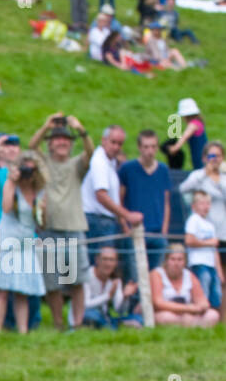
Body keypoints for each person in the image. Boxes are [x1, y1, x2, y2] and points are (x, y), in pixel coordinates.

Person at [30, 112, 94, 328]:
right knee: (53, 283)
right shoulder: (44, 163)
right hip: (48, 229)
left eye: (66, 140)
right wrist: (46, 126)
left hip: (74, 228)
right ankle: (59, 324)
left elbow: (90, 152)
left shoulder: (77, 164)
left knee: (77, 281)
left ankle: (76, 323)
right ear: (50, 143)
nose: (61, 143)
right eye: (57, 139)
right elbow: (31, 147)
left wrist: (80, 129)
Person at [0, 152, 47, 332]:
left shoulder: (39, 191)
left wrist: (43, 211)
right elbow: (6, 208)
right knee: (2, 289)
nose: (28, 172)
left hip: (26, 242)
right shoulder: (10, 185)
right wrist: (12, 181)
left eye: (31, 168)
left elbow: (42, 223)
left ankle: (23, 331)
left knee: (22, 291)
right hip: (6, 240)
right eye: (24, 167)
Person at [82, 124, 142, 277]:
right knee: (98, 269)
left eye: (119, 144)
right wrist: (127, 216)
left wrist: (123, 223)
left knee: (108, 269)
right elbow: (101, 196)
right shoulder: (100, 162)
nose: (116, 147)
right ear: (103, 140)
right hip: (96, 222)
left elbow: (113, 197)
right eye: (113, 142)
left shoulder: (110, 161)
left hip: (105, 222)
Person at [119, 129, 172, 273]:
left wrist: (164, 230)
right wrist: (125, 226)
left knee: (156, 276)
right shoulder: (127, 169)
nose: (150, 151)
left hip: (157, 233)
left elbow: (166, 202)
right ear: (139, 147)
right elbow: (120, 199)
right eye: (146, 147)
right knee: (135, 276)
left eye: (153, 147)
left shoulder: (163, 169)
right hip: (135, 231)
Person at [178, 140, 226, 295]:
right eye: (211, 155)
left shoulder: (224, 177)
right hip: (205, 236)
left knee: (223, 277)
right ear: (204, 158)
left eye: (218, 156)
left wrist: (220, 180)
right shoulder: (198, 175)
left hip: (223, 233)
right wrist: (205, 174)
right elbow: (183, 189)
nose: (214, 159)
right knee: (208, 277)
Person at [150, 243, 219, 326]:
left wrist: (200, 307)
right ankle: (194, 326)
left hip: (188, 314)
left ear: (185, 262)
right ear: (166, 261)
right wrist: (187, 309)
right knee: (166, 317)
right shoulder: (156, 274)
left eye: (180, 260)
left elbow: (203, 302)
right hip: (166, 313)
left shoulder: (189, 275)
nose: (176, 263)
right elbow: (158, 303)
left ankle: (191, 326)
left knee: (213, 315)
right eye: (173, 259)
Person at [183, 190, 222, 316]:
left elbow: (214, 249)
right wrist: (209, 242)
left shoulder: (210, 224)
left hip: (211, 266)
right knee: (201, 297)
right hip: (198, 264)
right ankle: (199, 322)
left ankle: (213, 323)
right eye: (202, 203)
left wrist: (219, 272)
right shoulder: (193, 220)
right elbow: (189, 240)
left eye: (208, 204)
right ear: (193, 206)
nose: (206, 207)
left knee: (216, 296)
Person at [81, 245, 138, 327]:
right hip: (88, 314)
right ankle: (113, 326)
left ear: (116, 263)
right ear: (97, 260)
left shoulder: (115, 280)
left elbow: (119, 310)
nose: (108, 263)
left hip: (105, 317)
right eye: (104, 259)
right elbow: (85, 305)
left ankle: (111, 325)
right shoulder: (87, 276)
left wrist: (125, 297)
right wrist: (108, 295)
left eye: (111, 260)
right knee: (90, 316)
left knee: (138, 318)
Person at [163, 97, 206, 171]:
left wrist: (168, 148)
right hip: (202, 158)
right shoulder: (199, 123)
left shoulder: (193, 125)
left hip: (200, 160)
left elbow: (180, 143)